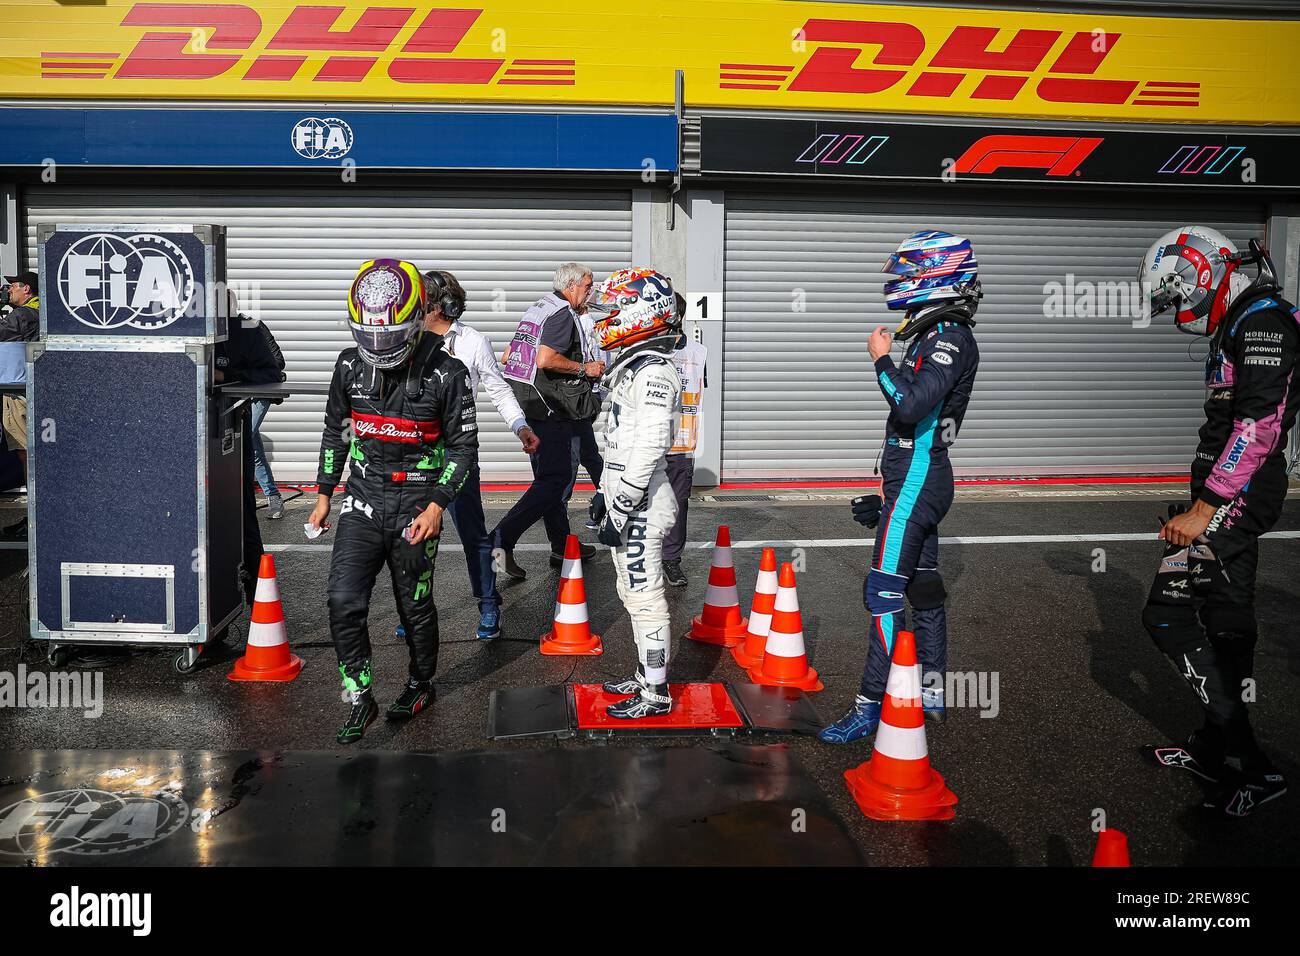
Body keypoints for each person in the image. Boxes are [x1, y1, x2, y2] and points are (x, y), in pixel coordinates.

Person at [1137, 227, 1292, 817]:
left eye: (1176, 296)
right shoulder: (1241, 319)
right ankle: (1211, 746)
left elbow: (1258, 427)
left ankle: (1255, 765)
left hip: (1238, 494)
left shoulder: (1262, 323)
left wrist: (1207, 508)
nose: (1177, 310)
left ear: (1199, 276)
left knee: (1165, 612)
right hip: (1225, 490)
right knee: (1227, 615)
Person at [308, 259, 477, 744]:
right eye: (370, 336)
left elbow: (465, 447)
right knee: (342, 600)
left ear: (419, 316)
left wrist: (436, 506)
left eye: (390, 336)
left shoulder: (449, 373)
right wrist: (322, 495)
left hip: (416, 506)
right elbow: (334, 432)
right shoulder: (347, 364)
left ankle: (420, 683)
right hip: (361, 498)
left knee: (414, 605)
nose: (379, 348)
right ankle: (359, 694)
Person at [820, 231, 981, 744]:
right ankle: (932, 693)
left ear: (935, 276)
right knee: (925, 587)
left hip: (919, 478)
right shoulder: (938, 335)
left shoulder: (949, 337)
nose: (903, 285)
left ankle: (870, 705)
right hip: (915, 480)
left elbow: (909, 408)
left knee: (883, 591)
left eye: (911, 275)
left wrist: (880, 360)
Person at [419, 269, 539, 640]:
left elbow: (498, 390)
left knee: (473, 535)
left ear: (441, 305)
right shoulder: (407, 340)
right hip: (416, 455)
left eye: (421, 299)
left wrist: (520, 426)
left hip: (457, 453)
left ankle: (488, 603)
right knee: (416, 537)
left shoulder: (472, 342)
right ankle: (415, 609)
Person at [587, 268, 683, 718]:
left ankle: (656, 693)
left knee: (645, 596)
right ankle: (647, 675)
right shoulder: (637, 365)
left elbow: (650, 445)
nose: (606, 317)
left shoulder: (655, 371)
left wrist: (621, 506)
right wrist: (605, 494)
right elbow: (621, 443)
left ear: (640, 312)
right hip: (628, 494)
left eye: (614, 309)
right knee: (630, 592)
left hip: (643, 500)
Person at [495, 262, 603, 578]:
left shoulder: (540, 307)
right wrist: (584, 369)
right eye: (588, 285)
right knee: (553, 482)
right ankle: (500, 540)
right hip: (550, 409)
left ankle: (561, 545)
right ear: (571, 286)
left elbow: (508, 356)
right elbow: (544, 359)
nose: (591, 291)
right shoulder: (562, 315)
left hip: (537, 406)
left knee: (552, 478)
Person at [215, 292, 286, 605]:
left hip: (231, 422)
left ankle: (257, 593)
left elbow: (273, 371)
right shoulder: (175, 328)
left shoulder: (249, 329)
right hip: (189, 437)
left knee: (243, 511)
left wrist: (227, 376)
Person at [661, 294, 707, 587]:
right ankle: (640, 556)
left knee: (678, 502)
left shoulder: (698, 352)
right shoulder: (642, 349)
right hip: (647, 439)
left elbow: (700, 393)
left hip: (681, 440)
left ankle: (671, 560)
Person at [0, 271, 40, 539]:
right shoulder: (29, 312)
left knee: (28, 456)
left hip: (18, 397)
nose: (7, 291)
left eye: (11, 287)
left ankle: (36, 521)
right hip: (17, 393)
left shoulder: (26, 314)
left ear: (26, 289)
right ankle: (34, 519)